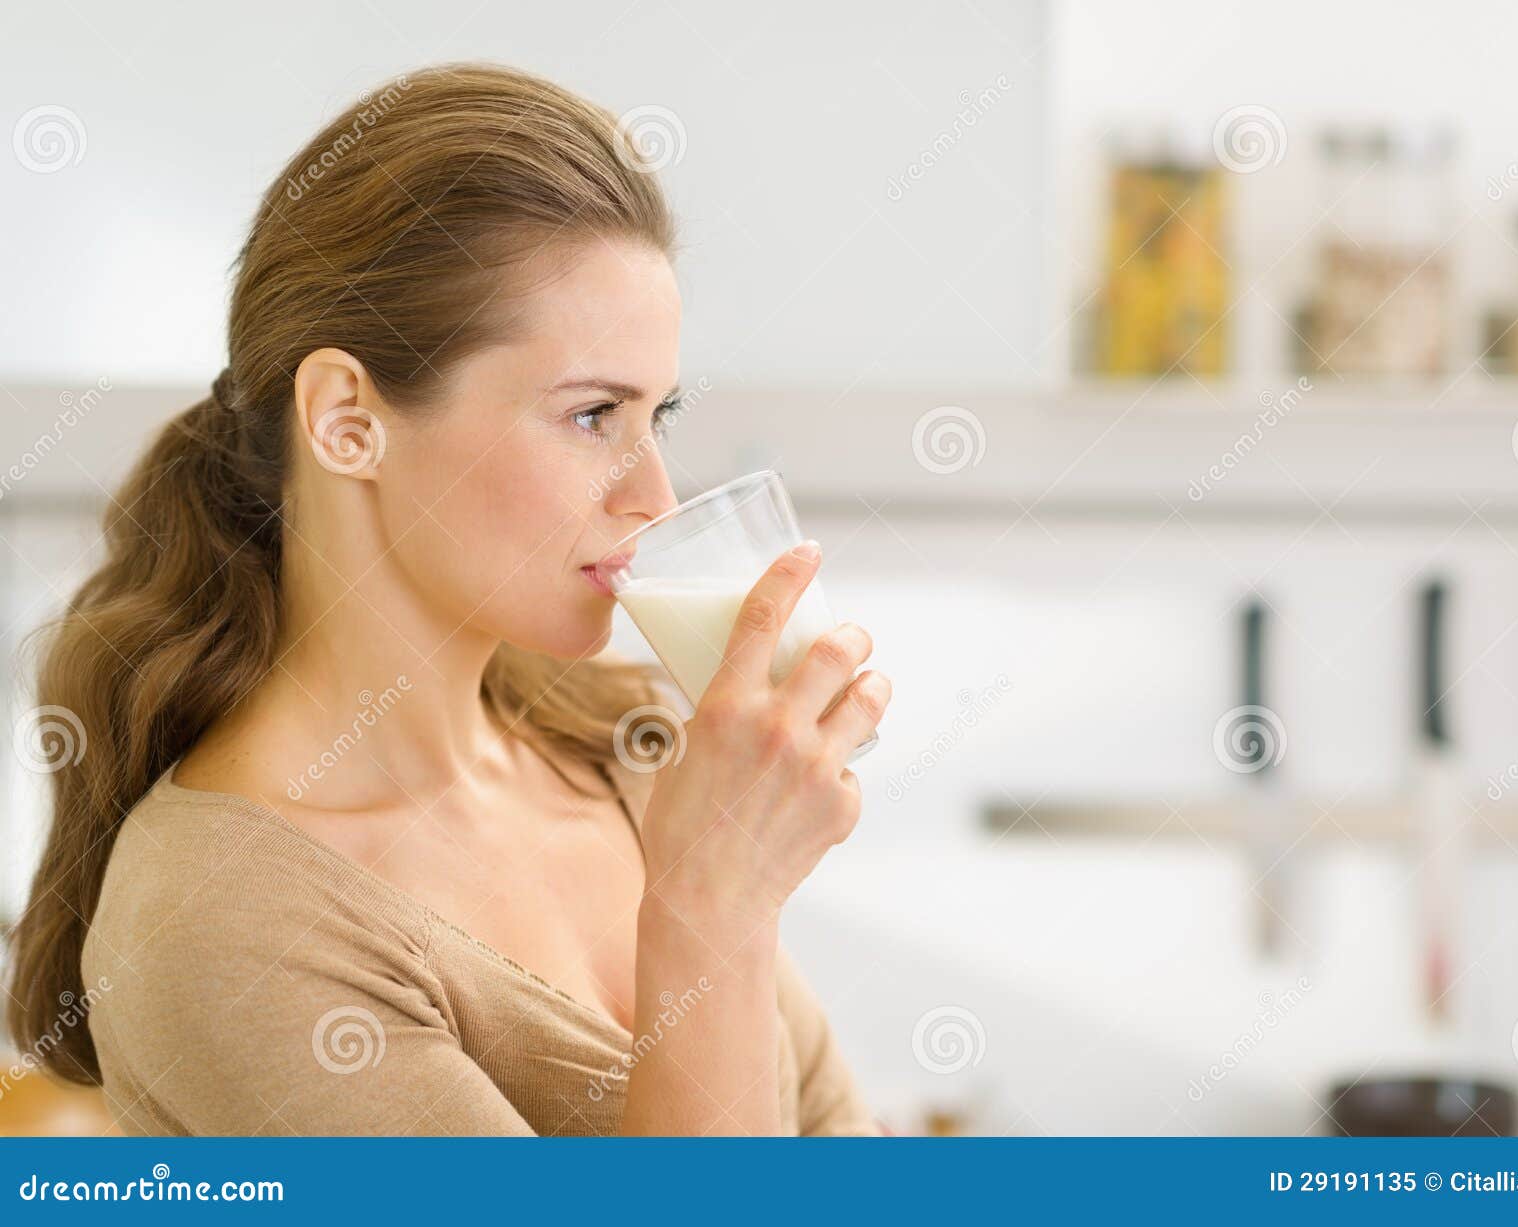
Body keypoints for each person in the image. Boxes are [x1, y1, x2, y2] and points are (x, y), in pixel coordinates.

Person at [5, 62, 891, 1136]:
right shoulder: (222, 919)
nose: (653, 496)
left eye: (655, 415)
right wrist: (713, 911)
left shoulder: (619, 746)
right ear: (346, 420)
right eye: (589, 416)